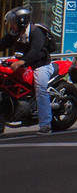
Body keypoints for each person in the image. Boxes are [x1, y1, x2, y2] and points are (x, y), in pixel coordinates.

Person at [5, 7, 55, 136]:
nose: (11, 25)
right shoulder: (15, 33)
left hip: (40, 66)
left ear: (21, 21)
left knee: (40, 88)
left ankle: (45, 125)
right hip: (23, 65)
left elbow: (35, 51)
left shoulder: (36, 31)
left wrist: (22, 62)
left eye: (13, 22)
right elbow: (3, 43)